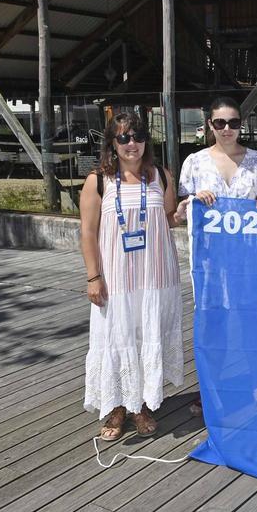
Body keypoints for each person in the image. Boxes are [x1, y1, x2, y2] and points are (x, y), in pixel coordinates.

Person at [80, 112, 183, 441]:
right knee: (116, 338)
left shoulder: (161, 176)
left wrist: (179, 215)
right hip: (116, 280)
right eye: (123, 138)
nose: (131, 144)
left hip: (155, 278)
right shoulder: (99, 180)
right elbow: (87, 232)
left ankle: (140, 405)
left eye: (137, 137)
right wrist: (93, 276)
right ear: (112, 143)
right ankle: (116, 407)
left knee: (144, 335)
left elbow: (167, 220)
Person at [174, 96, 257, 416]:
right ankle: (210, 389)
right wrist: (192, 200)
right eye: (220, 123)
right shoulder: (195, 162)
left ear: (241, 125)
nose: (227, 128)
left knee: (251, 323)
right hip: (210, 262)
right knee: (213, 325)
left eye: (233, 122)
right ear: (210, 126)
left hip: (248, 259)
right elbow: (179, 214)